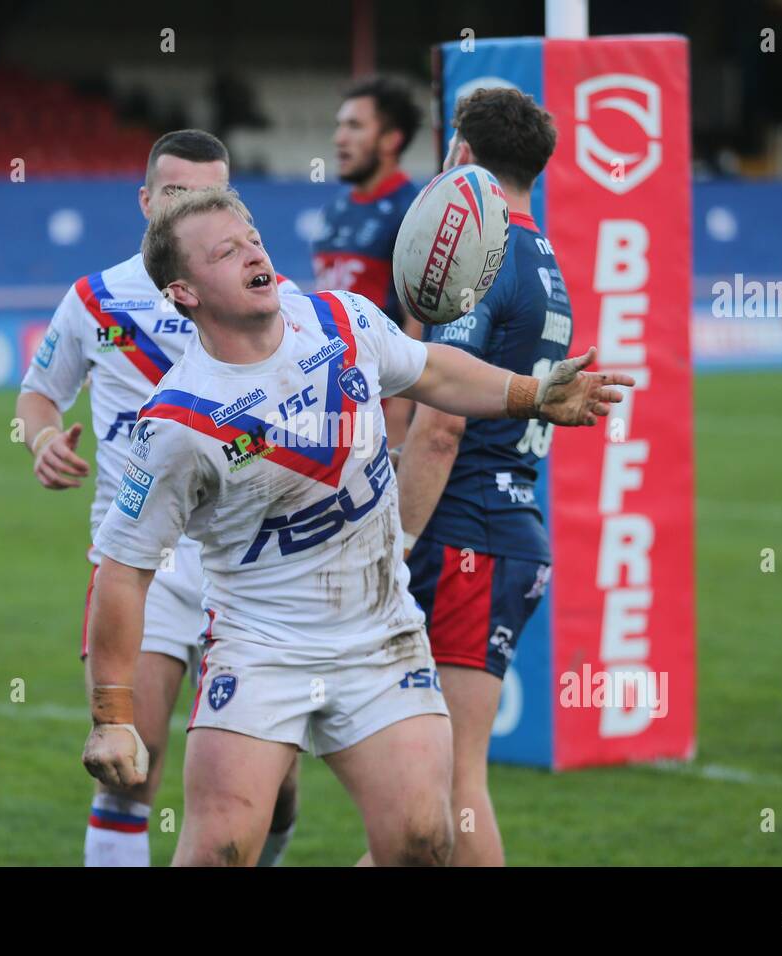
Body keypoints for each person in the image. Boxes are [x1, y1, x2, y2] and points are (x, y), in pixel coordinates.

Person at [81, 185, 633, 866]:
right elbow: (123, 572)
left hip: (380, 635)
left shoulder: (341, 321)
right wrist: (111, 719)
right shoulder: (175, 424)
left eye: (251, 236)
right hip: (261, 649)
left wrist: (531, 396)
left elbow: (432, 371)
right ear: (185, 293)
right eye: (225, 252)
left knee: (425, 843)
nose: (253, 251)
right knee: (218, 851)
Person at [16, 131, 300, 867]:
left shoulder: (274, 297)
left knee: (276, 789)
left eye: (216, 194)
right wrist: (41, 439)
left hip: (254, 563)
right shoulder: (94, 300)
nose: (198, 206)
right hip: (145, 564)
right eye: (179, 193)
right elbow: (38, 396)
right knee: (126, 766)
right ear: (146, 202)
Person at [393, 88, 570, 866]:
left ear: (459, 155)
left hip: (469, 532)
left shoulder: (478, 255)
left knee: (453, 787)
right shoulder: (544, 257)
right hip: (504, 526)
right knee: (427, 794)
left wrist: (390, 545)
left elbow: (441, 424)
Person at [311, 76, 422, 447]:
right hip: (332, 398)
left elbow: (418, 318)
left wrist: (402, 410)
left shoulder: (415, 210)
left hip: (384, 401)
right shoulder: (335, 211)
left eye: (354, 126)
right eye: (340, 125)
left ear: (391, 139)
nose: (339, 138)